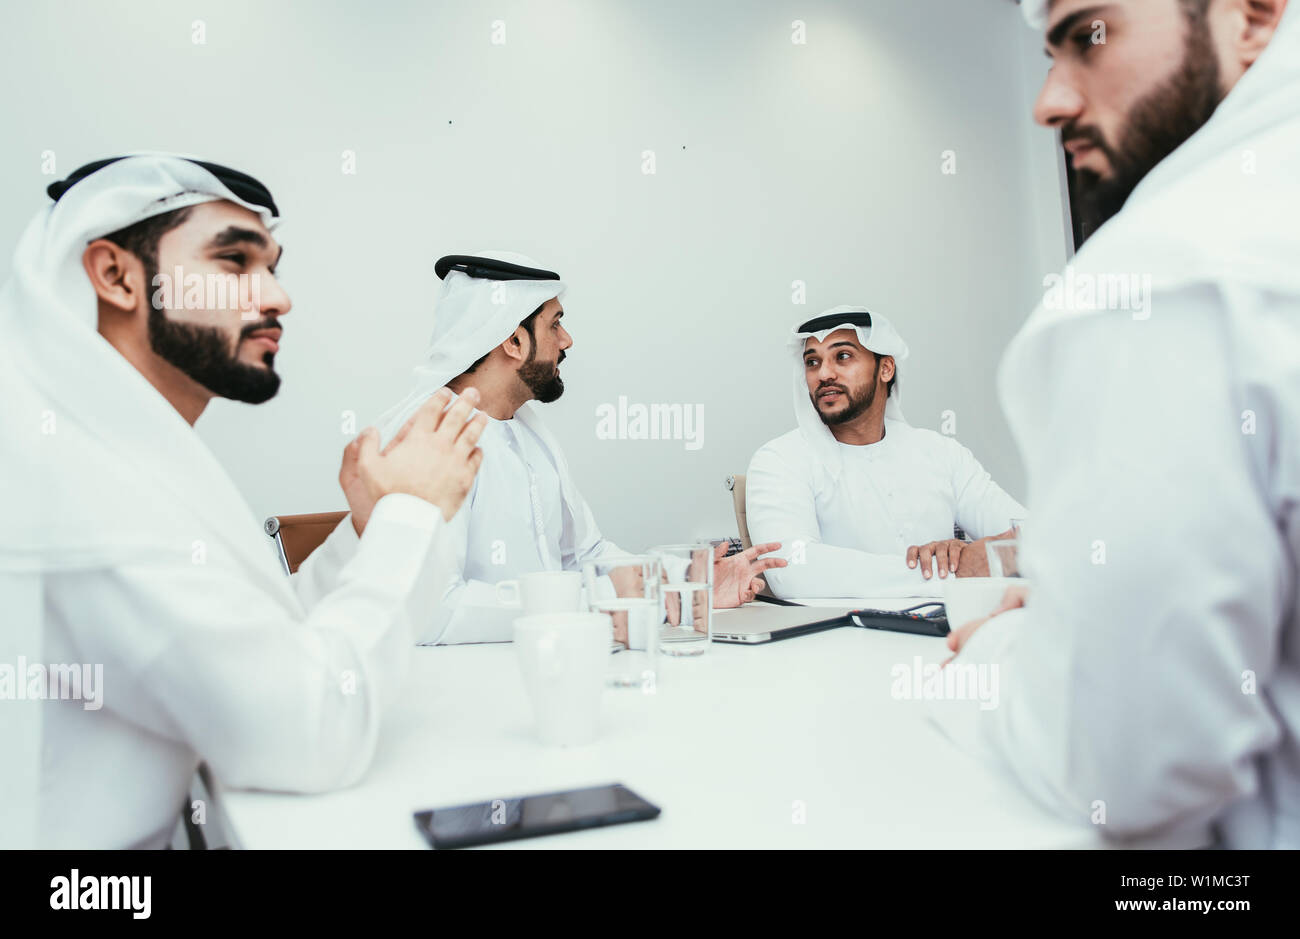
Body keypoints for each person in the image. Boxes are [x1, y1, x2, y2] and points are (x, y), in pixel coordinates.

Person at [0, 154, 485, 849]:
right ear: (115, 276)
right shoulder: (74, 487)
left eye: (274, 268)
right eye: (234, 262)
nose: (279, 299)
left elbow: (262, 640)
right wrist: (413, 514)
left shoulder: (116, 448)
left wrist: (367, 530)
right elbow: (309, 730)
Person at [932, 0, 1299, 848]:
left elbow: (1135, 764)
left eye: (1088, 35)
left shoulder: (1162, 278)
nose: (1048, 101)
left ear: (1252, 15)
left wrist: (1011, 647)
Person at [301, 252, 785, 645]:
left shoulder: (528, 429)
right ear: (513, 340)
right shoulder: (429, 435)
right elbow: (434, 612)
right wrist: (589, 605)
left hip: (552, 662)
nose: (567, 339)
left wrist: (686, 584)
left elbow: (587, 554)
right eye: (555, 324)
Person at [745, 306, 1024, 599]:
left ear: (886, 369)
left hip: (949, 633)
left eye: (842, 356)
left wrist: (978, 554)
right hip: (837, 639)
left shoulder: (940, 453)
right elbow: (793, 571)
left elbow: (1034, 535)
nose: (824, 374)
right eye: (812, 362)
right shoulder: (780, 459)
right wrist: (955, 570)